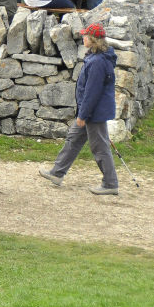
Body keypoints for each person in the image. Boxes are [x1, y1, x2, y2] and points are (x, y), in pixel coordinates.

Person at [39, 22, 119, 194]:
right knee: (74, 138)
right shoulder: (95, 57)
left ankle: (110, 184)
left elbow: (92, 93)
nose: (83, 38)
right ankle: (57, 173)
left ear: (93, 39)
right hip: (90, 111)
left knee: (100, 147)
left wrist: (83, 115)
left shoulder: (97, 61)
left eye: (85, 36)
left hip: (93, 113)